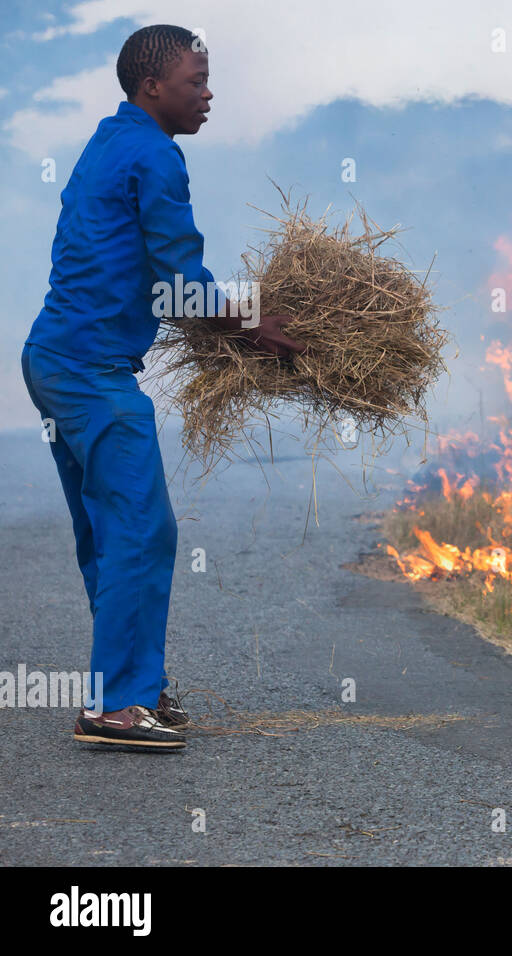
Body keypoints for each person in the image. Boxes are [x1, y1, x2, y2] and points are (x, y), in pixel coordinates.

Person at [21, 25, 306, 750]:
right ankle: (115, 706)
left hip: (56, 359)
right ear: (153, 86)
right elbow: (181, 285)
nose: (208, 95)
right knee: (145, 529)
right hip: (89, 371)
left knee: (112, 532)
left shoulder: (111, 139)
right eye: (195, 81)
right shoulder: (155, 155)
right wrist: (255, 326)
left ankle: (134, 689)